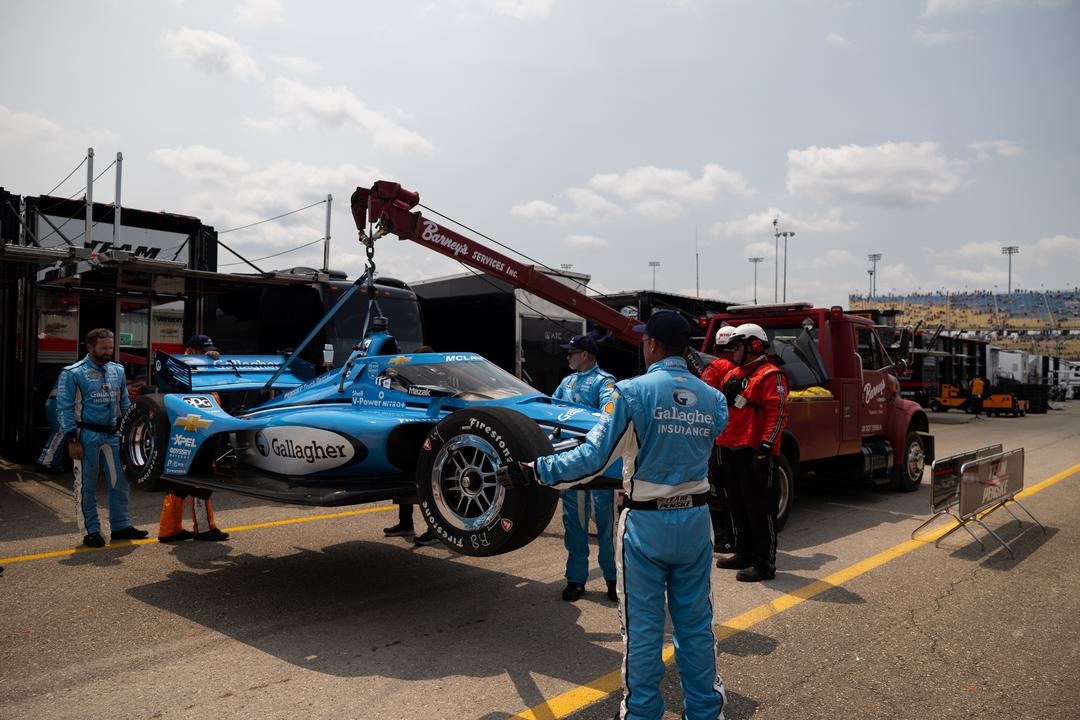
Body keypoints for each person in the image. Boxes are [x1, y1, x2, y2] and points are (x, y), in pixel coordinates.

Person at [499, 310, 729, 720]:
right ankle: (707, 713)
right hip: (695, 522)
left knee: (643, 631)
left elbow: (592, 458)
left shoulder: (630, 392)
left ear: (653, 345)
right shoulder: (713, 398)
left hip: (647, 524)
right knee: (696, 628)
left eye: (644, 339)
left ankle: (642, 714)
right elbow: (718, 434)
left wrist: (536, 471)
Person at [57, 328, 148, 547]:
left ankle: (121, 526)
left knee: (121, 482)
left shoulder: (118, 370)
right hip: (84, 435)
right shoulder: (72, 373)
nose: (109, 351)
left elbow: (124, 403)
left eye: (111, 347)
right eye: (104, 347)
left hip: (113, 434)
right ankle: (91, 531)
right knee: (85, 485)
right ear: (90, 347)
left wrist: (131, 429)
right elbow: (63, 407)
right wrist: (71, 439)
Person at [714, 323, 788, 582]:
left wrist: (766, 447)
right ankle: (743, 553)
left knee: (760, 508)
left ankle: (764, 563)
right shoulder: (732, 374)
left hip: (755, 451)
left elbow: (777, 413)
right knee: (737, 505)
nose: (732, 351)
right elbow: (725, 407)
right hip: (730, 448)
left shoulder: (770, 375)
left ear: (754, 345)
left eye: (737, 346)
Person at [551, 334, 618, 602]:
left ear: (587, 355)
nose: (568, 356)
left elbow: (610, 415)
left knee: (606, 526)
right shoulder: (565, 383)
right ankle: (576, 580)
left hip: (600, 465)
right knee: (574, 524)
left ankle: (613, 579)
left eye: (572, 352)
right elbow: (552, 409)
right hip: (572, 464)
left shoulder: (605, 382)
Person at [157, 335, 230, 542]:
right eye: (201, 351)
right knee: (201, 478)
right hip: (196, 428)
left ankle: (168, 529)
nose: (206, 354)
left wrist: (212, 362)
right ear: (189, 349)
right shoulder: (179, 367)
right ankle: (204, 528)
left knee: (179, 480)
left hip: (196, 428)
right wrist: (202, 364)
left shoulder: (204, 366)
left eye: (208, 350)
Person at [383, 345, 440, 547]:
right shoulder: (411, 381)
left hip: (426, 438)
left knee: (425, 486)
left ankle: (434, 530)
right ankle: (405, 524)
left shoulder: (437, 382)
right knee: (406, 481)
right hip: (410, 436)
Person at [702, 325, 738, 554]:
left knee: (717, 490)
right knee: (734, 490)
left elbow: (704, 399)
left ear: (716, 346)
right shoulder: (744, 368)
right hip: (740, 437)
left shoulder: (714, 368)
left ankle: (724, 536)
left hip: (718, 438)